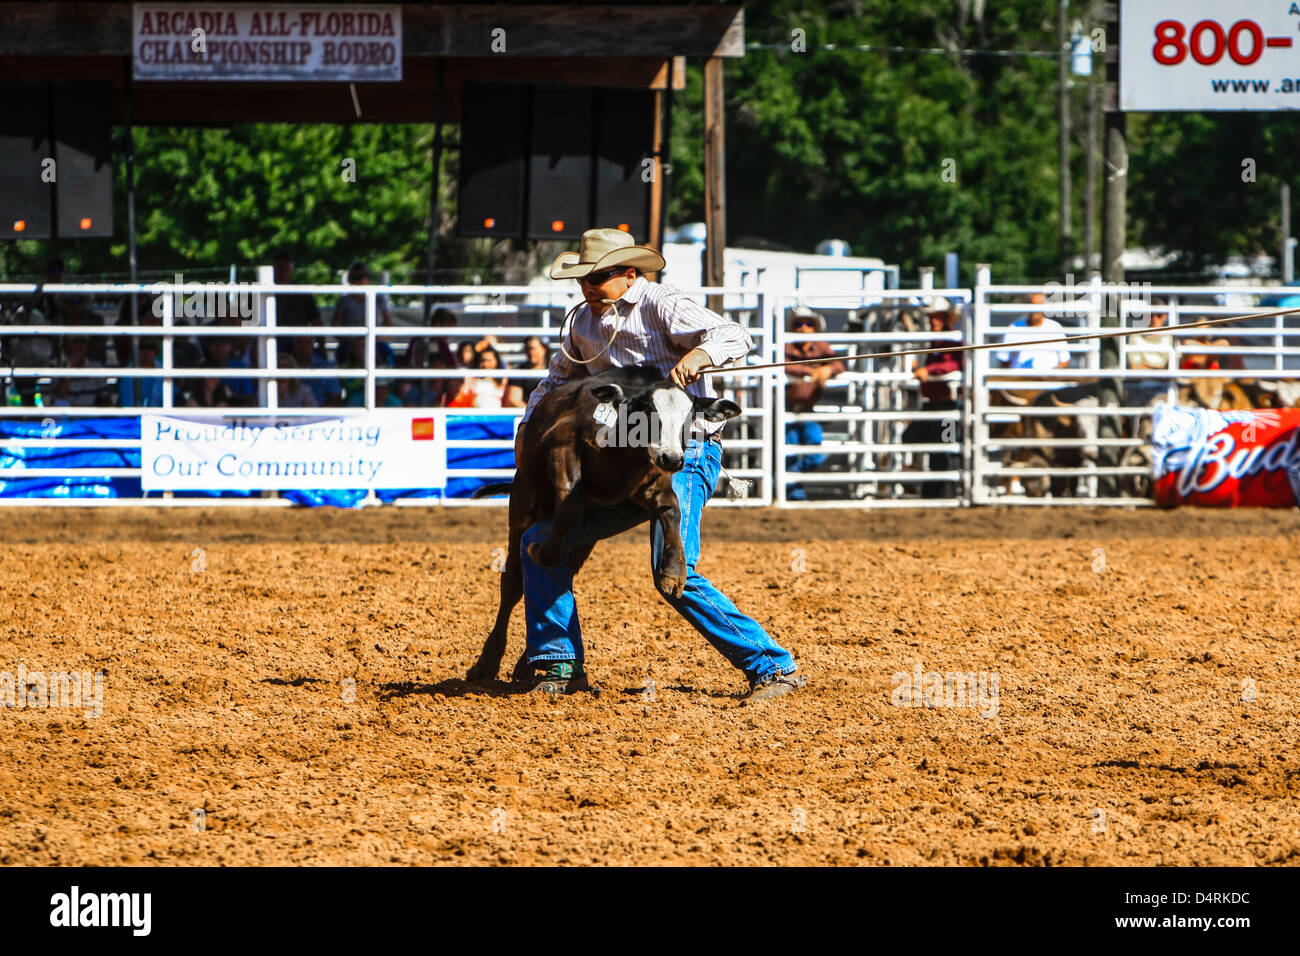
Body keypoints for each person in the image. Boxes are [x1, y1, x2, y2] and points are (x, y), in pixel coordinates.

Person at [514, 227, 803, 700]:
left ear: (630, 274)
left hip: (684, 455)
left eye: (600, 276)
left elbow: (733, 335)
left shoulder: (662, 303)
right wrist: (528, 430)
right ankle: (558, 664)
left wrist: (701, 354)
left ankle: (773, 667)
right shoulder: (582, 325)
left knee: (674, 569)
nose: (589, 286)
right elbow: (556, 383)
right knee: (540, 541)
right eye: (584, 278)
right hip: (623, 463)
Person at [901, 297, 964, 498]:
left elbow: (954, 365)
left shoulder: (953, 338)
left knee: (945, 451)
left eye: (937, 317)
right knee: (911, 438)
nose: (933, 321)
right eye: (931, 318)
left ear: (946, 318)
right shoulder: (936, 341)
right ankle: (926, 488)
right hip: (933, 404)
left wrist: (928, 369)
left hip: (949, 406)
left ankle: (943, 494)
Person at [782, 307, 844, 500]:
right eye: (798, 324)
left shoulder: (820, 347)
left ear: (814, 327)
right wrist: (811, 371)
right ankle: (794, 493)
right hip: (788, 410)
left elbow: (839, 364)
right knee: (789, 453)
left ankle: (790, 480)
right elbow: (783, 364)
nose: (803, 328)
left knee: (815, 452)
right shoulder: (787, 347)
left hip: (808, 410)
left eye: (808, 324)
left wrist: (827, 370)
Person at [994, 292, 1071, 374]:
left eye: (1038, 305)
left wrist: (1052, 378)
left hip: (1048, 382)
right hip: (1020, 381)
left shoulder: (1055, 327)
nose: (1035, 309)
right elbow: (1004, 359)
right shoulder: (1014, 327)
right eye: (1032, 304)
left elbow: (1064, 360)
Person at [1126, 297, 1175, 407]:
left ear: (1164, 317)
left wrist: (1145, 366)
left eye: (1159, 315)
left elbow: (1173, 370)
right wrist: (1161, 370)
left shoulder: (1171, 338)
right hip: (1141, 387)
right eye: (1151, 314)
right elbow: (1135, 369)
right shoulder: (1136, 336)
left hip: (1166, 387)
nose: (1154, 319)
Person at [270, 252, 322, 327]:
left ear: (292, 268)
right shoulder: (260, 292)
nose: (282, 271)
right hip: (269, 336)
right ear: (273, 268)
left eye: (285, 267)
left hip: (297, 337)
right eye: (279, 267)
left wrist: (307, 336)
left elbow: (319, 330)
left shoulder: (303, 294)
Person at [118, 339, 164, 407]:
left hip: (159, 416)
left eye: (151, 347)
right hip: (134, 416)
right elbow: (125, 401)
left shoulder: (165, 370)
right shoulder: (127, 372)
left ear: (156, 350)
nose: (146, 351)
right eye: (142, 347)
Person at [510, 335, 550, 407]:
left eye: (533, 348)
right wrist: (530, 413)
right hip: (526, 413)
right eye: (527, 349)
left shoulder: (553, 370)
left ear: (544, 349)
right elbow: (514, 399)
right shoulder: (519, 372)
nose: (530, 352)